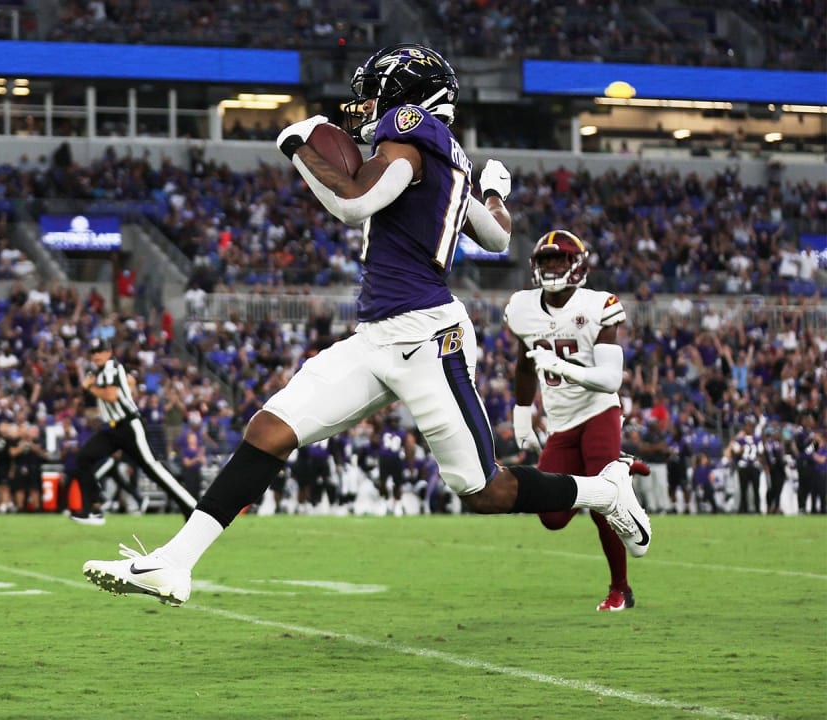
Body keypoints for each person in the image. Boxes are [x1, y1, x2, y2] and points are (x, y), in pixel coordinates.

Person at [82, 43, 651, 607]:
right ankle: (174, 563)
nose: (366, 103)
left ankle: (604, 489)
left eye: (378, 90)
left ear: (409, 96)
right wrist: (495, 190)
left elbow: (353, 201)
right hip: (377, 335)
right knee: (269, 430)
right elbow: (497, 235)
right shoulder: (444, 153)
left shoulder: (412, 129)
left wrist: (300, 146)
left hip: (427, 337)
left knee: (485, 489)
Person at [505, 230, 639, 612]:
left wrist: (562, 365)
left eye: (560, 259)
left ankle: (621, 590)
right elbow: (523, 364)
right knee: (551, 515)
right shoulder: (522, 307)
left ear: (576, 265)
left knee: (603, 507)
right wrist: (522, 413)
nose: (551, 267)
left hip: (599, 412)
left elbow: (611, 379)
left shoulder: (599, 305)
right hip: (561, 422)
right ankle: (617, 467)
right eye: (545, 260)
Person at [72, 337, 197, 525]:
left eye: (100, 351)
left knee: (153, 469)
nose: (96, 355)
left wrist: (90, 386)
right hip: (111, 428)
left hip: (128, 426)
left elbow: (112, 396)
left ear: (109, 352)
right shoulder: (100, 372)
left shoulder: (111, 368)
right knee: (84, 457)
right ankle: (93, 509)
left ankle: (192, 508)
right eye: (93, 352)